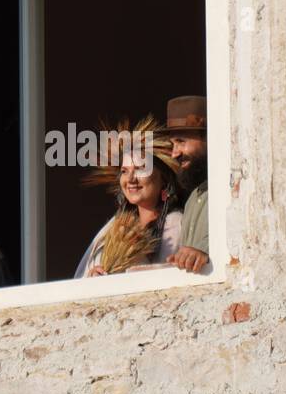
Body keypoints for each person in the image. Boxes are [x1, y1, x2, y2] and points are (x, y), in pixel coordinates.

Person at [75, 119, 183, 277]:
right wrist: (94, 276)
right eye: (125, 171)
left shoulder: (175, 224)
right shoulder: (112, 229)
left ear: (163, 179)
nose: (131, 179)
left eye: (140, 169)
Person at [163, 95, 209, 274]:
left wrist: (203, 252)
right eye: (173, 144)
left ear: (207, 137)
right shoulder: (193, 199)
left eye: (181, 141)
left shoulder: (231, 189)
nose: (174, 153)